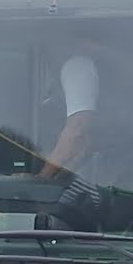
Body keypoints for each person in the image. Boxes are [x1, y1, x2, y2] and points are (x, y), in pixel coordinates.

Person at [38, 31, 104, 180]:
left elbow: (78, 128)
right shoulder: (58, 87)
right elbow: (84, 142)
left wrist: (43, 179)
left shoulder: (76, 66)